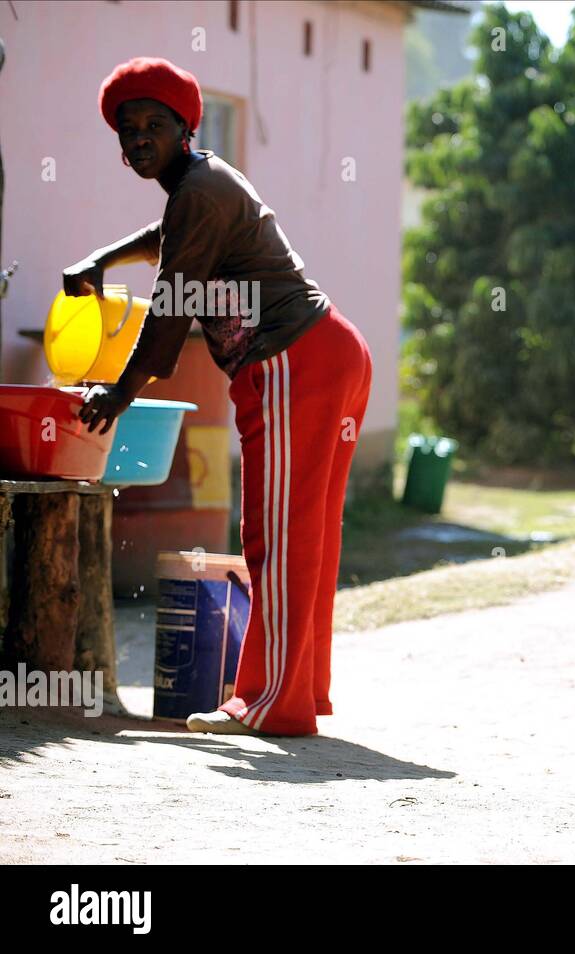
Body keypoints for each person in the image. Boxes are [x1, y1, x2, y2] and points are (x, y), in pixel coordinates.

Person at [65, 57, 372, 736]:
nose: (140, 137)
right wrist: (103, 261)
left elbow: (171, 307)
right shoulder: (199, 185)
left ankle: (270, 703)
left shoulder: (198, 191)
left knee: (277, 537)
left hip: (295, 359)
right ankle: (298, 692)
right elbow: (167, 238)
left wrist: (118, 393)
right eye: (129, 128)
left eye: (155, 124)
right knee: (303, 534)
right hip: (324, 352)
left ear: (185, 128)